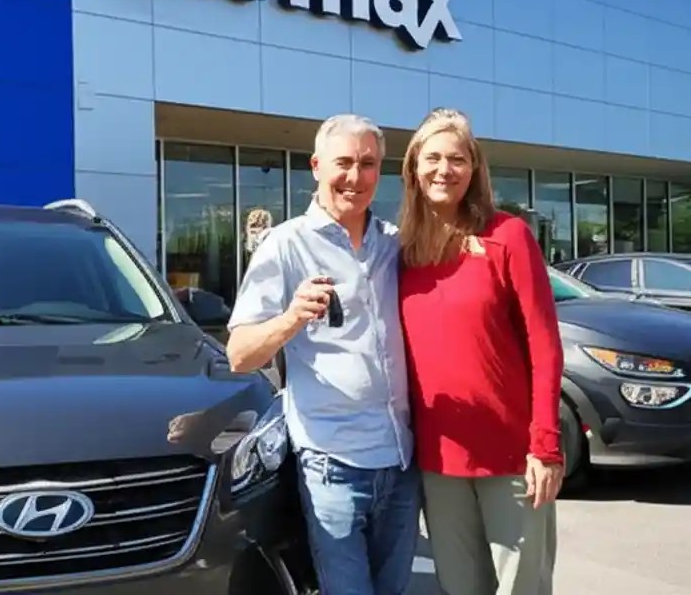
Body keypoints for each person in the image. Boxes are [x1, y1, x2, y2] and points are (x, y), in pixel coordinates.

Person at [225, 113, 420, 595]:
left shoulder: (396, 243)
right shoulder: (285, 245)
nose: (355, 177)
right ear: (316, 166)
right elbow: (239, 354)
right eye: (344, 163)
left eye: (368, 164)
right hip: (332, 463)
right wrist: (291, 318)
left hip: (400, 461)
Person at [397, 107, 565, 595]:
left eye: (457, 159)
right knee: (458, 587)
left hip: (512, 456)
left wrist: (546, 444)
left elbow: (545, 344)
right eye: (432, 158)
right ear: (412, 168)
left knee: (521, 588)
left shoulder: (507, 235)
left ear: (474, 169)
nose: (444, 170)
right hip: (438, 460)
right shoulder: (403, 251)